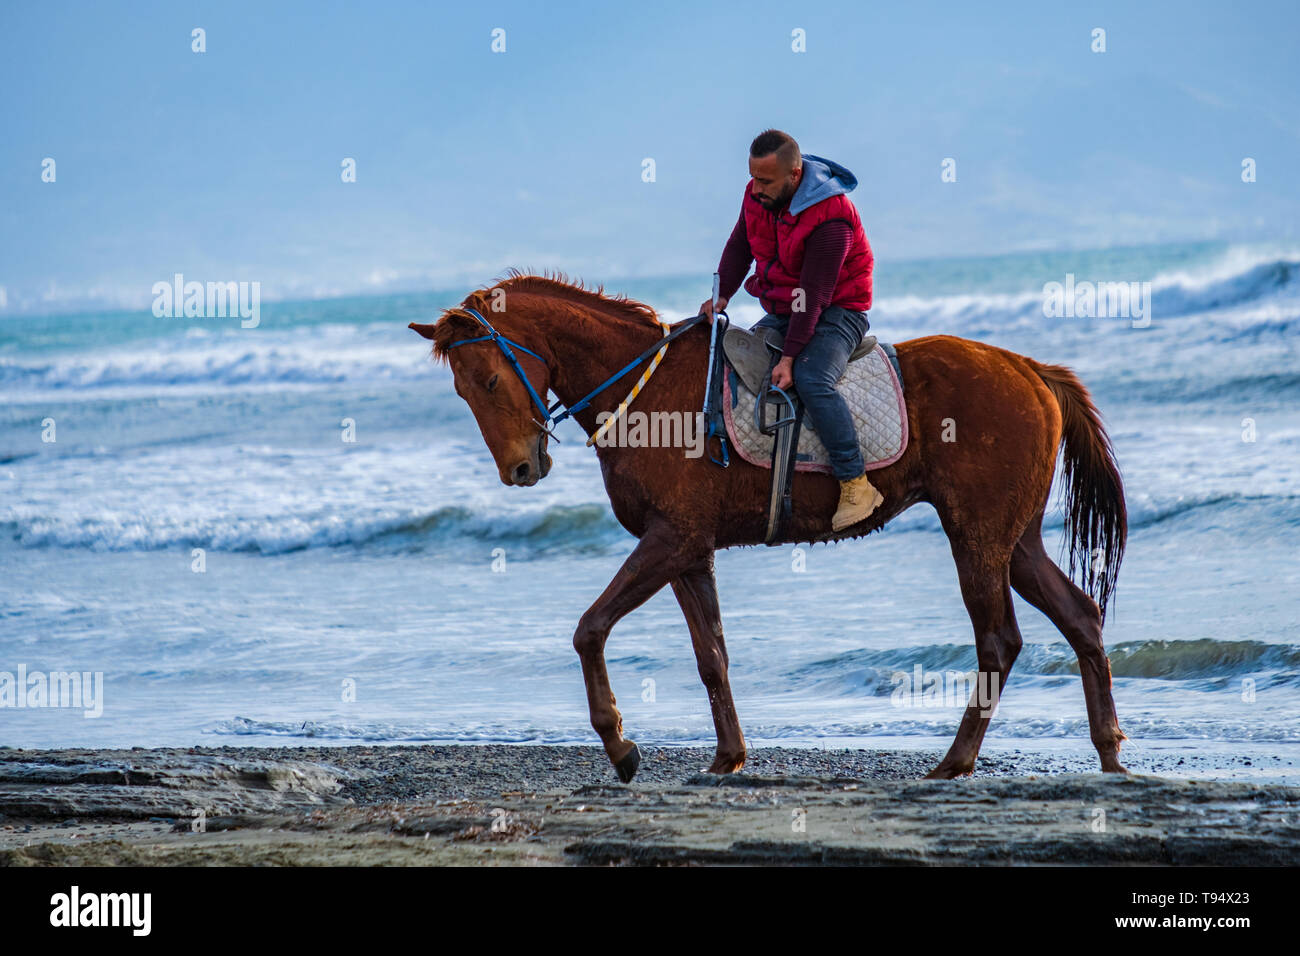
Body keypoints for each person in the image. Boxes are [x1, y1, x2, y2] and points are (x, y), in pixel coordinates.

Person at [700, 129, 883, 531]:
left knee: (810, 377)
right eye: (752, 178)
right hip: (785, 306)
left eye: (765, 181)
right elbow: (739, 246)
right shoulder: (757, 195)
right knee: (739, 358)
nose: (755, 188)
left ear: (795, 175)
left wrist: (789, 356)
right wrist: (721, 296)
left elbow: (813, 297)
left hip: (839, 308)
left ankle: (856, 482)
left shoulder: (832, 215)